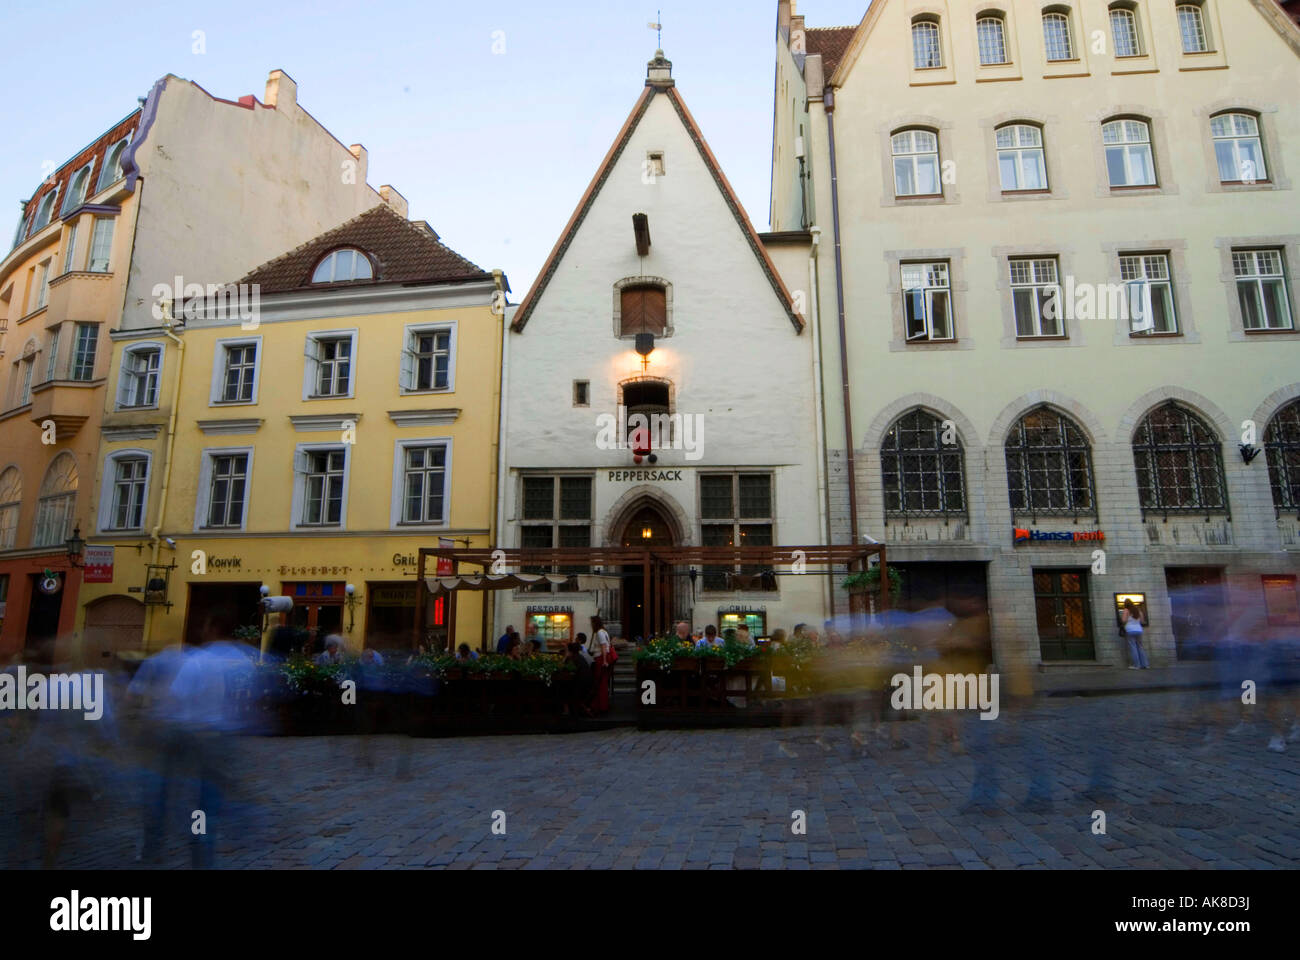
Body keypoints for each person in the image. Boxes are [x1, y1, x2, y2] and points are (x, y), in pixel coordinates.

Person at [588, 616, 612, 714]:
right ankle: (602, 705)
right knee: (602, 683)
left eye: (592, 623)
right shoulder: (604, 632)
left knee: (600, 682)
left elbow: (603, 646)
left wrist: (604, 661)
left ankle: (601, 706)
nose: (590, 625)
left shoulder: (599, 633)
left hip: (600, 658)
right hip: (602, 658)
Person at [1121, 599, 1149, 669]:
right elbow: (1142, 621)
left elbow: (1123, 620)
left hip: (1130, 630)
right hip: (1139, 630)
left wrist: (1126, 620)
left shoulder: (1126, 610)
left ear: (1125, 604)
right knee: (1140, 647)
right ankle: (1145, 664)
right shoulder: (1138, 610)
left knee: (1133, 647)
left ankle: (1137, 665)